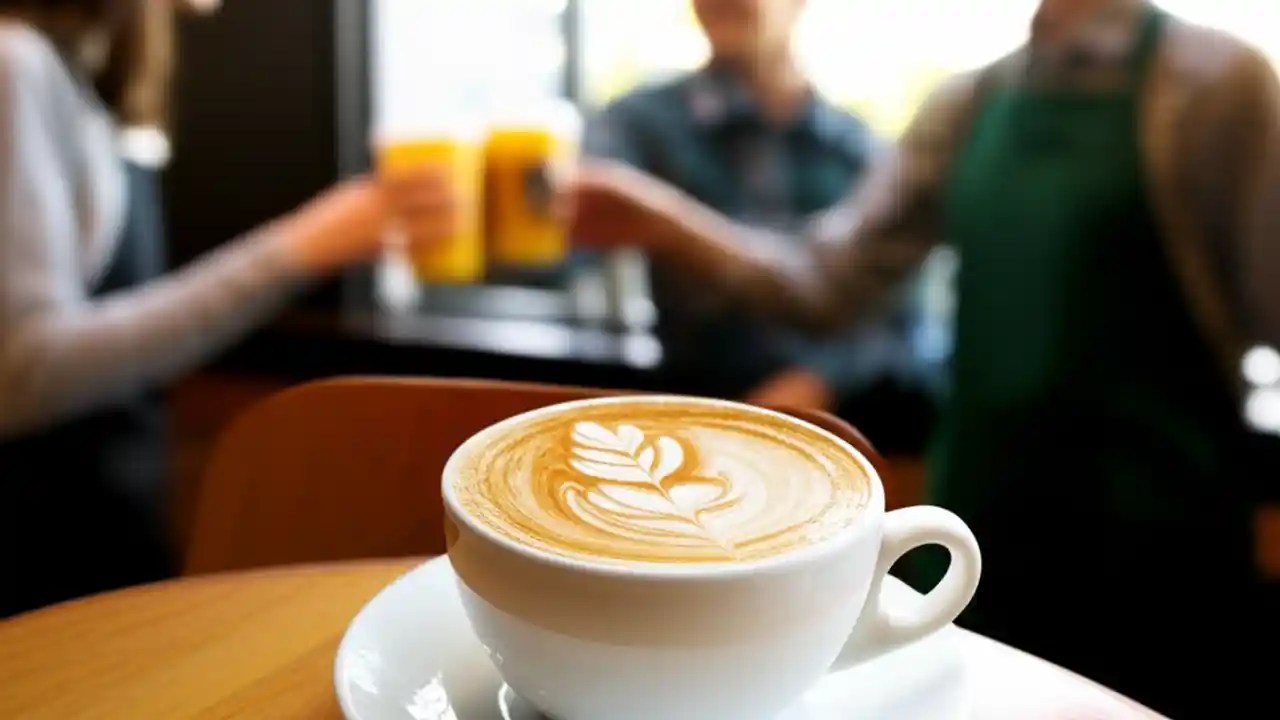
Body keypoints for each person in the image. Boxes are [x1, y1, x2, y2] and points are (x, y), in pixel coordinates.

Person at [568, 0, 1280, 715]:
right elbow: (827, 284)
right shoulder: (972, 101)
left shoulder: (1221, 85)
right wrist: (659, 220)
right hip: (980, 529)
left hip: (1161, 544)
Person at [0, 0, 449, 617]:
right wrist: (299, 247)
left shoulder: (80, 84)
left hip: (104, 557)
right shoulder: (12, 64)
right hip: (36, 569)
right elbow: (21, 374)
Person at [583, 0, 931, 438]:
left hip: (839, 432)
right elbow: (560, 243)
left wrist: (820, 379)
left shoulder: (859, 152)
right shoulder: (636, 126)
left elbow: (899, 315)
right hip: (691, 418)